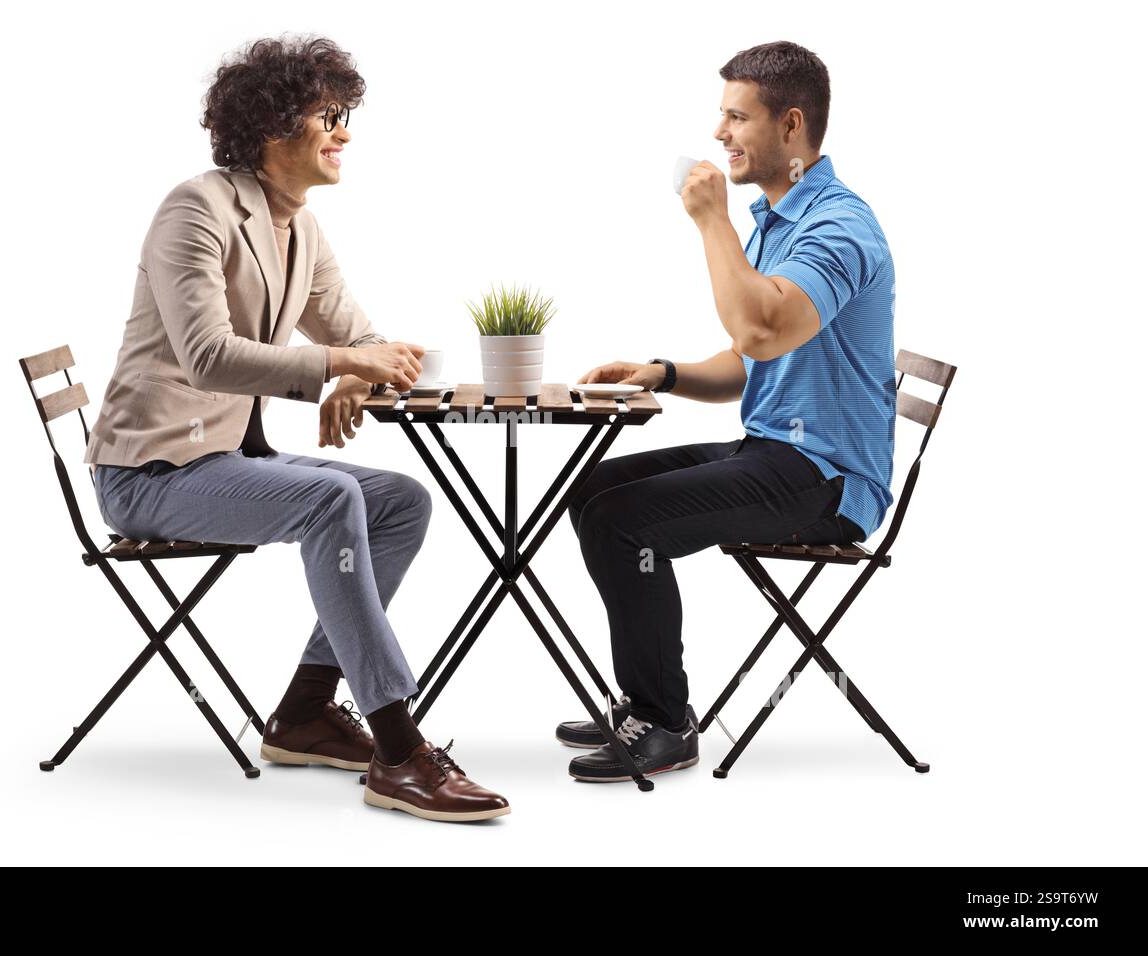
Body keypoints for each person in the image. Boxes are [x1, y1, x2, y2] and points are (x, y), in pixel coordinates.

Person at [83, 35, 509, 822]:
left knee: (399, 501)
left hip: (222, 458)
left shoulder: (299, 226)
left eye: (345, 116)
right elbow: (208, 355)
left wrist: (355, 363)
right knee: (327, 501)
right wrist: (341, 364)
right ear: (275, 127)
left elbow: (352, 328)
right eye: (330, 117)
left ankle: (306, 710)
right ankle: (398, 748)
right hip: (152, 471)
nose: (345, 133)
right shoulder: (196, 209)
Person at [558, 41, 895, 782]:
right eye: (721, 115)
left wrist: (711, 221)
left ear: (792, 127)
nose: (718, 134)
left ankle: (665, 722)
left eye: (737, 117)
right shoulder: (780, 218)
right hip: (774, 452)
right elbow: (750, 362)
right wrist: (666, 372)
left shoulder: (839, 229)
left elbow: (760, 329)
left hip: (828, 480)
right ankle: (644, 696)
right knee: (588, 491)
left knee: (624, 520)